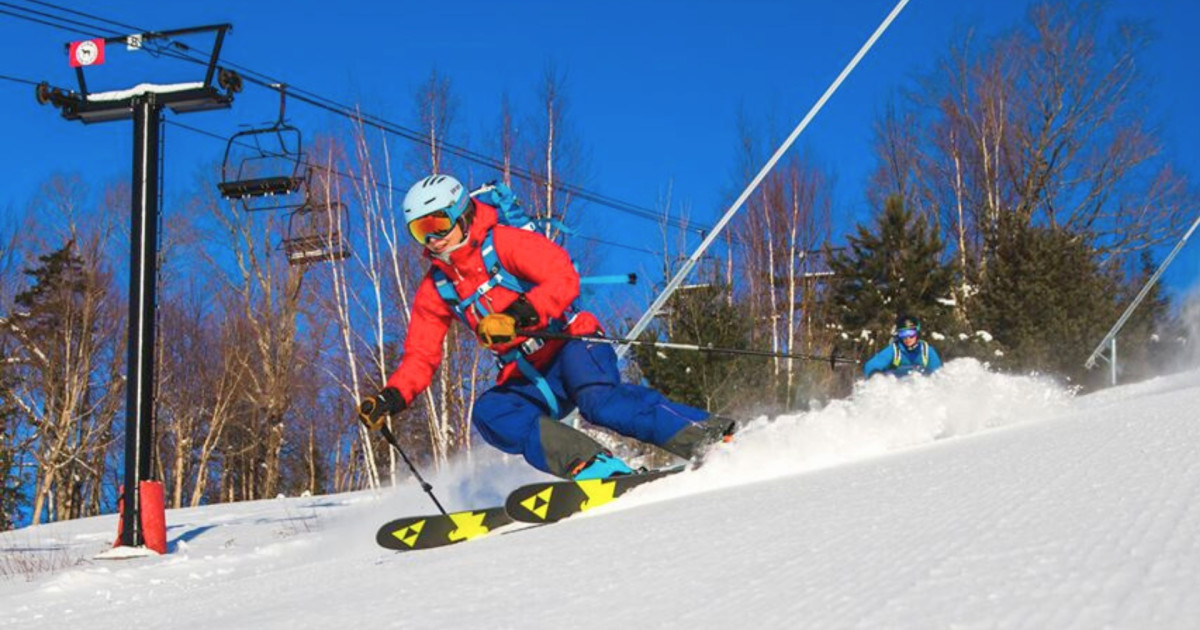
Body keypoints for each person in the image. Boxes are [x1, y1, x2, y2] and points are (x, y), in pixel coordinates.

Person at [357, 174, 735, 481]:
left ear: (462, 213)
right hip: (530, 373)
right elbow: (421, 354)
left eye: (436, 224)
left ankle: (708, 436)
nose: (432, 239)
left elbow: (562, 277)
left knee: (599, 403)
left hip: (573, 343)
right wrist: (393, 397)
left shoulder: (504, 243)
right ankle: (592, 466)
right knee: (491, 412)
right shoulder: (437, 287)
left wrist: (519, 315)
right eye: (420, 231)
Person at [862, 314, 943, 379]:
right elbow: (871, 365)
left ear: (917, 333)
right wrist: (875, 376)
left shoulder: (926, 351)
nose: (907, 338)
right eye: (903, 334)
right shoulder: (895, 350)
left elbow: (938, 372)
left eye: (911, 333)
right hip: (898, 391)